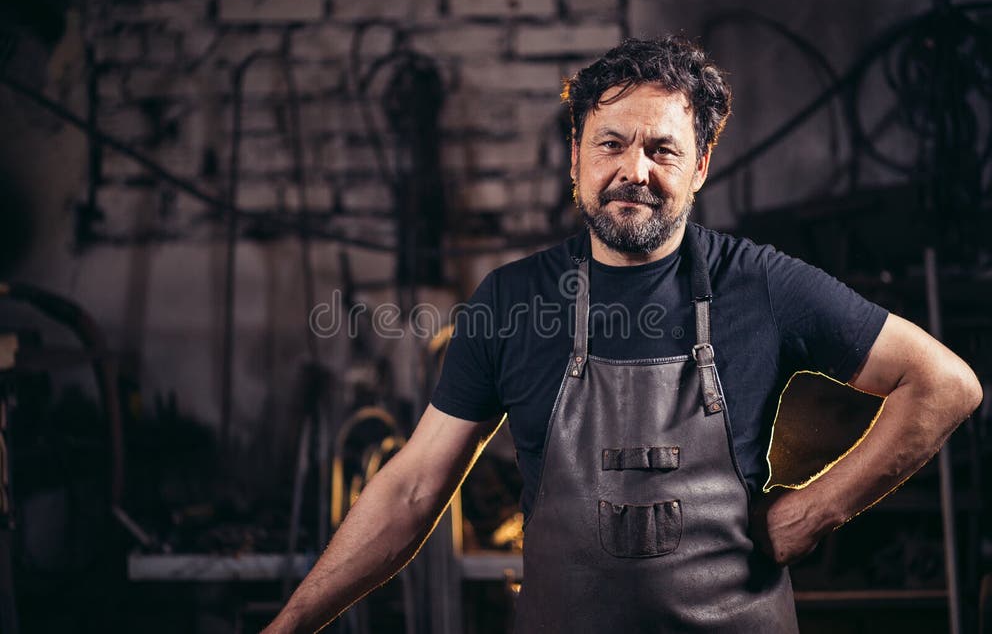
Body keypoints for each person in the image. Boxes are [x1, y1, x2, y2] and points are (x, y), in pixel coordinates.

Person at [263, 36, 983, 633]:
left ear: (700, 167)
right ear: (576, 156)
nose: (633, 171)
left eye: (663, 150)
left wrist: (817, 511)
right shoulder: (512, 302)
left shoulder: (762, 285)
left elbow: (945, 384)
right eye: (611, 143)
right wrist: (289, 626)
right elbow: (414, 488)